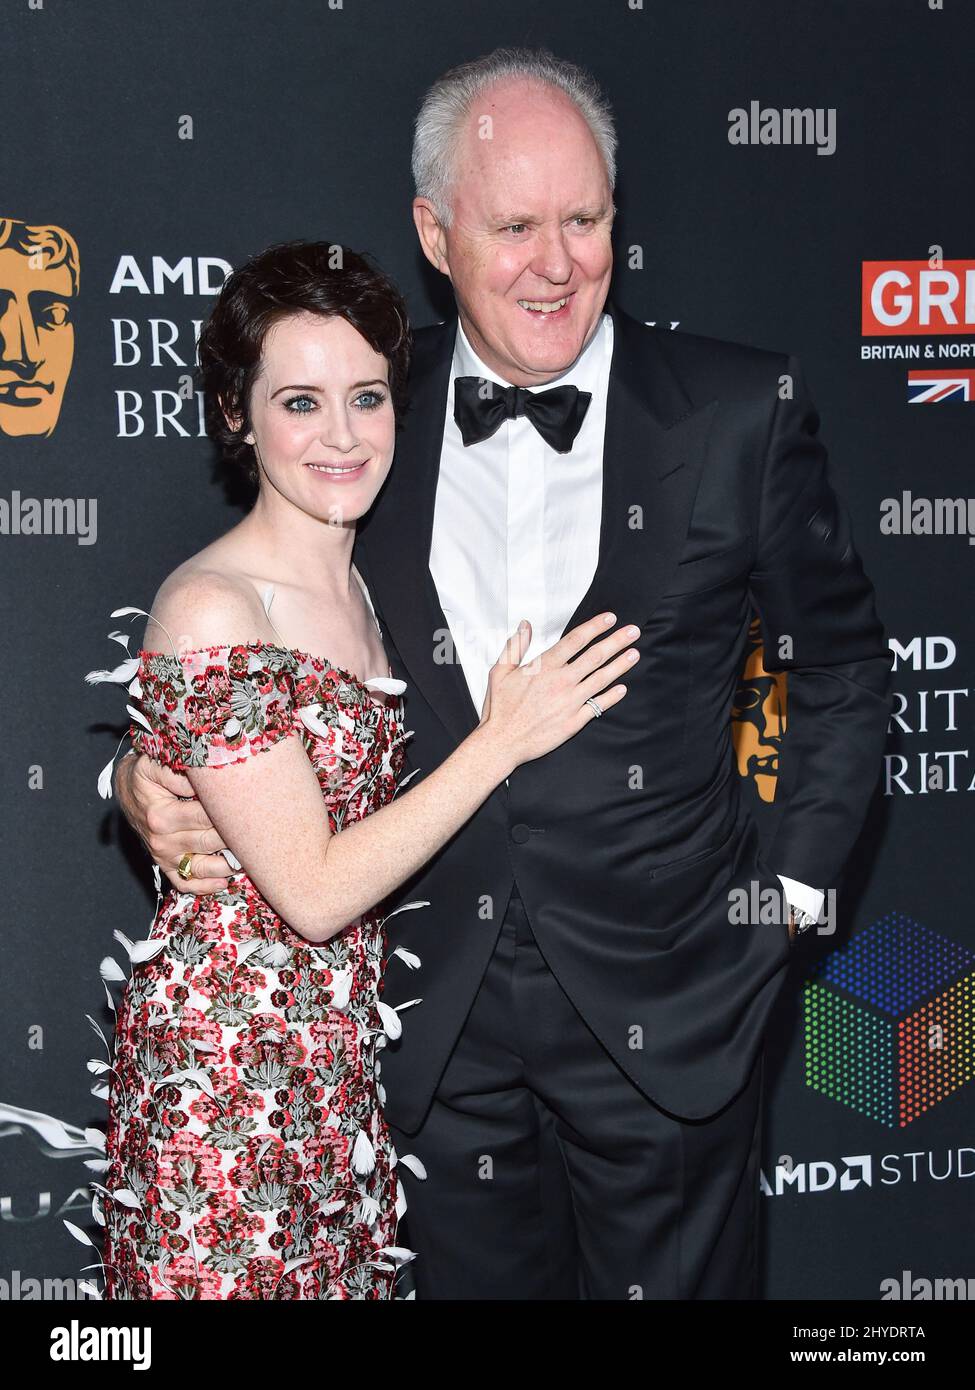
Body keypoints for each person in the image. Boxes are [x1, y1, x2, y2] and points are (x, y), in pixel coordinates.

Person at [116, 50, 895, 1300]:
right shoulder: (368, 412)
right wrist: (145, 770)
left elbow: (849, 672)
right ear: (435, 232)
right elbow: (243, 630)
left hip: (677, 1020)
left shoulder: (739, 412)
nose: (557, 262)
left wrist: (785, 915)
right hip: (427, 1032)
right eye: (515, 225)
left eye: (584, 220)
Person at [93, 239, 638, 1300]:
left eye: (369, 397)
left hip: (341, 1087)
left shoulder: (382, 584)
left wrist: (140, 770)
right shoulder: (215, 606)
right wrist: (501, 736)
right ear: (236, 416)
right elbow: (313, 889)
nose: (341, 436)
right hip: (227, 1083)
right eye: (300, 401)